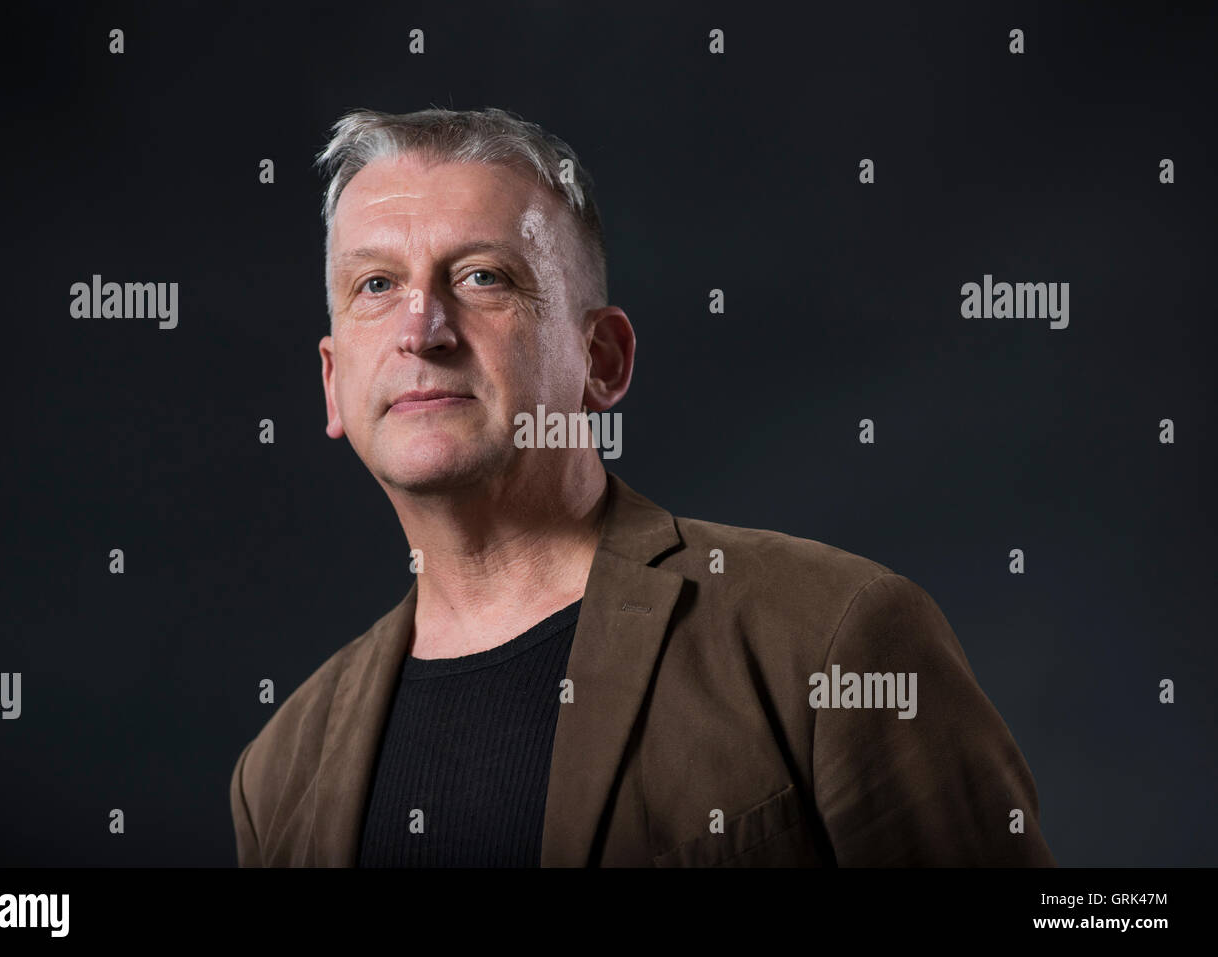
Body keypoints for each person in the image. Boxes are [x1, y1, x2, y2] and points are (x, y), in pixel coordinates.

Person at [229, 106, 1055, 867]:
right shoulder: (278, 773)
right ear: (334, 384)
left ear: (604, 359)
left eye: (481, 276)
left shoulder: (831, 638)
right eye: (376, 286)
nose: (422, 329)